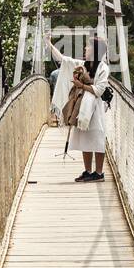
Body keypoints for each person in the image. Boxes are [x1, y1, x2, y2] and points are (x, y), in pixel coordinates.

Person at [46, 32, 111, 181]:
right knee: (84, 137)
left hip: (96, 108)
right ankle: (88, 171)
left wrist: (81, 85)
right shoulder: (83, 65)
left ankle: (99, 173)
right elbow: (63, 60)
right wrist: (49, 44)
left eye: (88, 46)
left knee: (97, 137)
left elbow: (99, 90)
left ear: (95, 50)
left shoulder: (103, 68)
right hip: (82, 106)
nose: (85, 48)